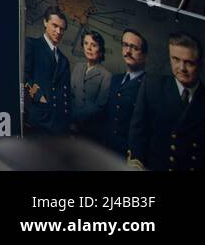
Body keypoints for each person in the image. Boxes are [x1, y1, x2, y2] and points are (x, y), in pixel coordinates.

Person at [129, 32, 202, 170]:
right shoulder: (152, 86)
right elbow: (137, 131)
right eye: (175, 59)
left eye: (189, 62)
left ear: (200, 63)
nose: (181, 68)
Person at [23, 9, 72, 135]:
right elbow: (24, 76)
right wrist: (40, 97)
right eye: (55, 26)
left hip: (58, 125)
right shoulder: (32, 45)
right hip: (36, 118)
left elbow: (65, 93)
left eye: (62, 29)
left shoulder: (64, 60)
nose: (58, 32)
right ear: (45, 22)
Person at [103, 29, 149, 159]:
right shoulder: (115, 79)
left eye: (134, 48)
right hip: (106, 151)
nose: (128, 51)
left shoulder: (148, 86)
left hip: (128, 157)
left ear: (144, 55)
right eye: (125, 45)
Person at [71, 31, 113, 141]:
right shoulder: (78, 67)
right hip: (69, 126)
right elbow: (70, 94)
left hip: (89, 131)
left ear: (100, 51)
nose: (88, 48)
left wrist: (75, 117)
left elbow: (99, 107)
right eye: (86, 43)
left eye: (93, 45)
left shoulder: (106, 75)